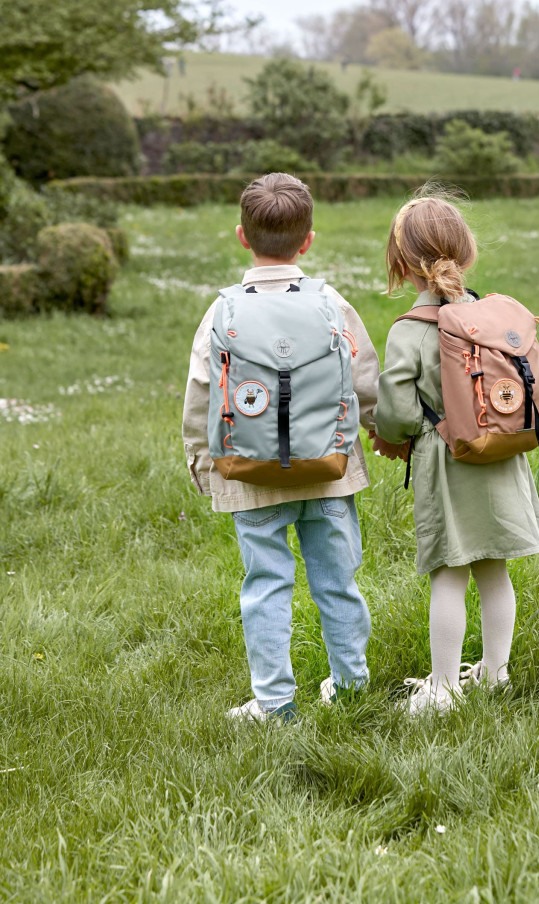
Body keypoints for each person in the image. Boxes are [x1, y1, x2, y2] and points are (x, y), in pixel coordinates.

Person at [182, 173, 379, 723]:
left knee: (265, 585)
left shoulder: (222, 311)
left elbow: (201, 396)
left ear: (241, 237)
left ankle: (273, 702)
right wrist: (380, 430)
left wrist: (202, 464)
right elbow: (364, 379)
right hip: (329, 469)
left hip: (250, 471)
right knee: (337, 582)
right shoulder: (331, 303)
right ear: (308, 240)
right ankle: (351, 686)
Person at [373, 195, 539, 714]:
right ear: (466, 253)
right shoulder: (490, 317)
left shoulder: (410, 330)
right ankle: (496, 673)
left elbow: (396, 413)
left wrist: (394, 434)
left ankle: (444, 689)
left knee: (449, 574)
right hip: (500, 454)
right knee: (495, 571)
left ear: (402, 265)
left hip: (447, 461)